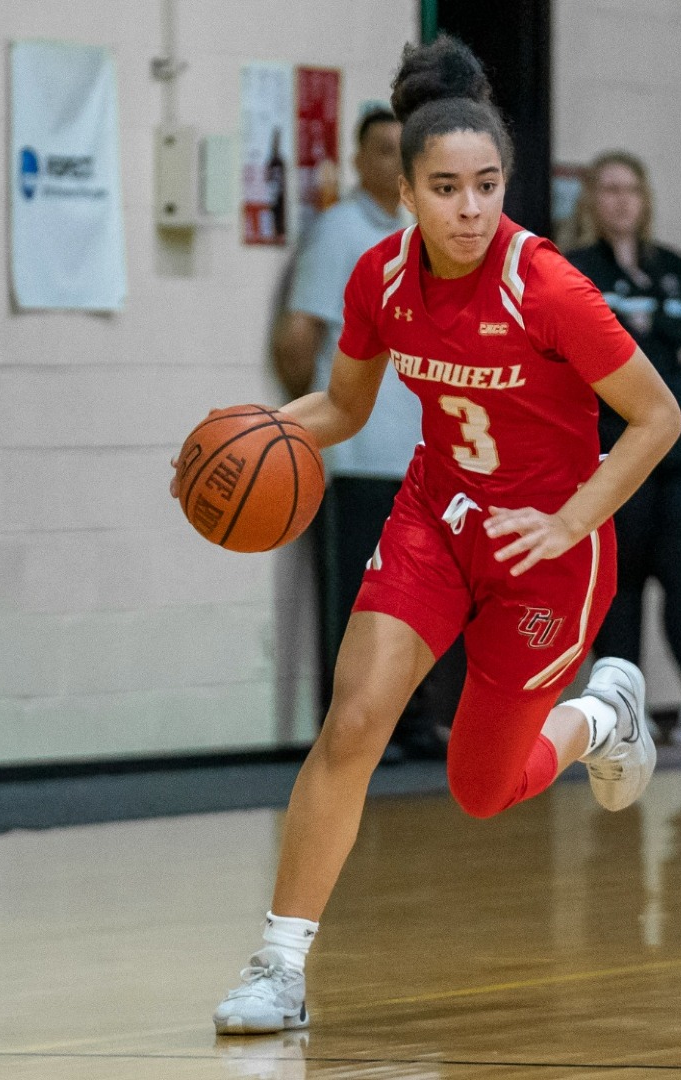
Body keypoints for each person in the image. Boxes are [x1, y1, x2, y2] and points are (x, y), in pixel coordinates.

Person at [203, 36, 681, 1034]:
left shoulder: (544, 286)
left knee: (480, 787)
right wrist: (258, 433)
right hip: (436, 518)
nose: (471, 208)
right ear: (408, 194)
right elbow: (342, 407)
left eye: (488, 185)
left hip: (546, 551)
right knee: (355, 720)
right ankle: (277, 968)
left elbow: (656, 416)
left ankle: (603, 717)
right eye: (448, 188)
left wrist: (567, 521)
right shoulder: (380, 277)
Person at [272, 107, 457, 760]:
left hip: (420, 458)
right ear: (358, 160)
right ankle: (350, 729)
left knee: (417, 601)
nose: (391, 164)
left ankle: (410, 724)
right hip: (355, 457)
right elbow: (298, 340)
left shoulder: (421, 237)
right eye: (381, 151)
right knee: (356, 603)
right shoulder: (339, 231)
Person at [564, 151, 681, 750]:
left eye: (631, 190)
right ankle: (618, 709)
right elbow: (577, 335)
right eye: (609, 189)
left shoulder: (668, 266)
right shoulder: (575, 266)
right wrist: (638, 320)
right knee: (619, 582)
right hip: (615, 449)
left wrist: (655, 318)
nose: (620, 201)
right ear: (592, 200)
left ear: (645, 200)